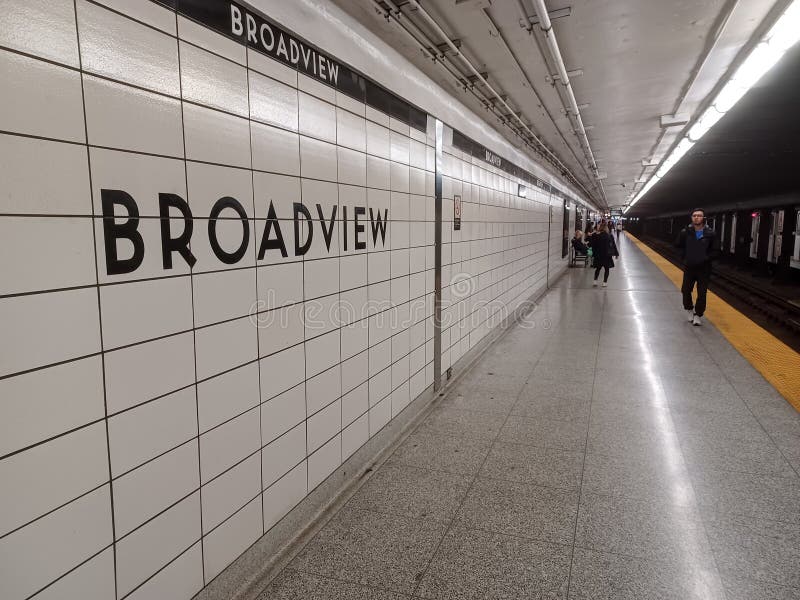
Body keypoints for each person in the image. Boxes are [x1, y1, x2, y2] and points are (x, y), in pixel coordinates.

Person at [675, 208, 718, 326]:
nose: (696, 217)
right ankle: (689, 309)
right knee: (685, 290)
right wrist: (684, 257)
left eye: (699, 216)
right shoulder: (685, 232)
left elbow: (715, 250)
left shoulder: (710, 233)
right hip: (689, 266)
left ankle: (698, 314)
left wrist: (706, 258)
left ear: (704, 218)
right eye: (694, 215)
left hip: (704, 268)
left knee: (702, 292)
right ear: (691, 218)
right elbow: (678, 246)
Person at [589, 223, 617, 287]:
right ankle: (604, 283)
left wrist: (594, 254)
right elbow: (613, 245)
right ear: (606, 228)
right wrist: (616, 254)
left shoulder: (596, 235)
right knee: (607, 269)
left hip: (598, 255)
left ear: (600, 228)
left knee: (598, 269)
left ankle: (595, 282)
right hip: (607, 255)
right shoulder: (609, 236)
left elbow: (593, 245)